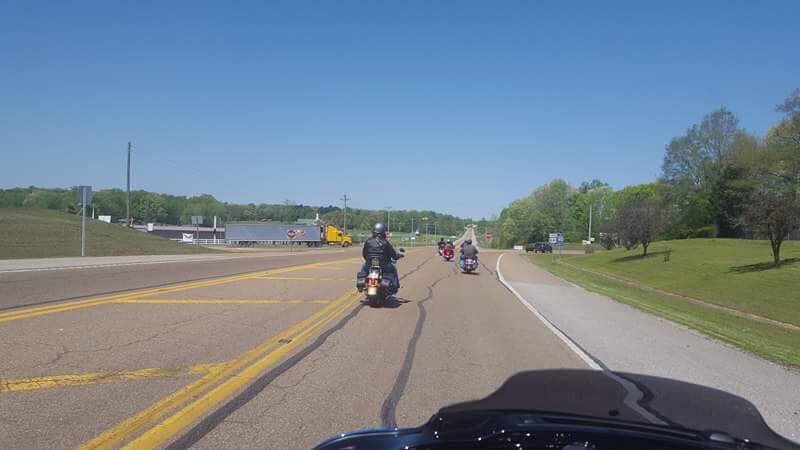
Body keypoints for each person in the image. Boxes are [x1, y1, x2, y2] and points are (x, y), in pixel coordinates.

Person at [357, 223, 403, 294]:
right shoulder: (385, 242)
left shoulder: (368, 241)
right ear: (382, 232)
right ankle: (395, 287)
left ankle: (361, 285)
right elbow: (393, 254)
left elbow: (364, 253)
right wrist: (398, 256)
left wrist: (368, 260)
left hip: (370, 263)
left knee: (363, 268)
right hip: (383, 264)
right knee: (393, 269)